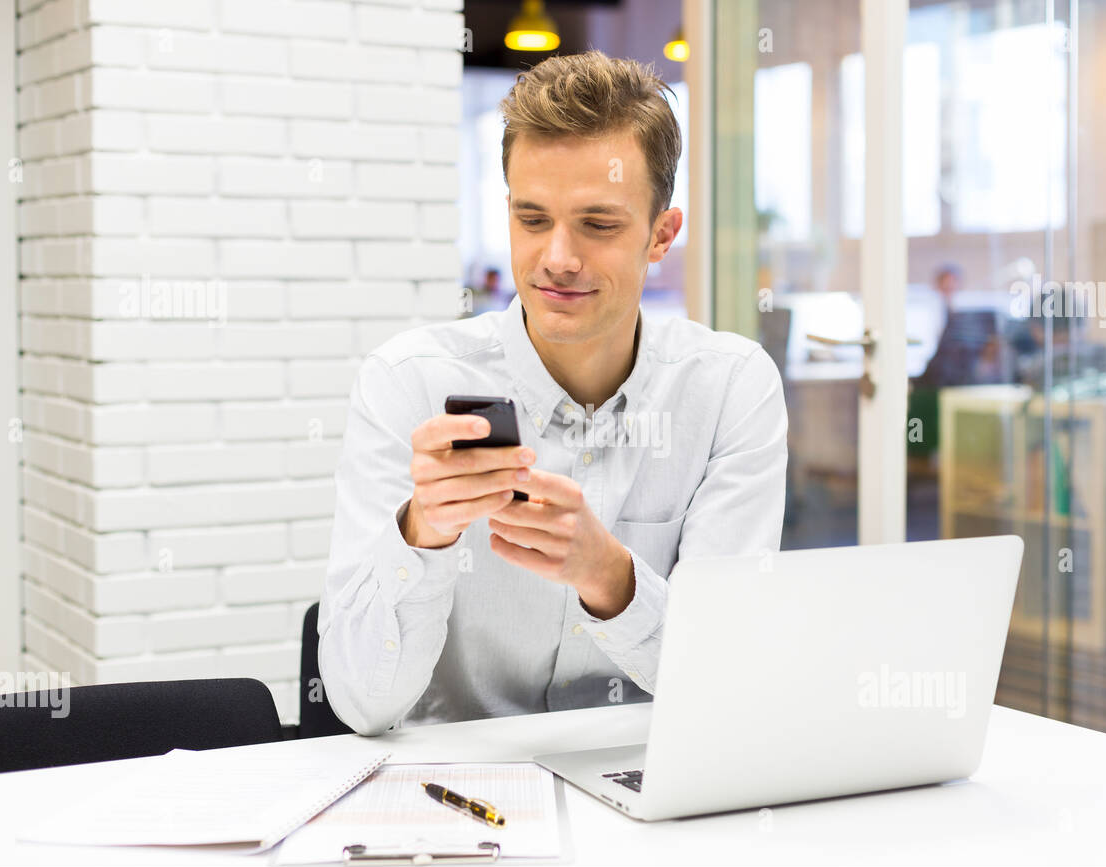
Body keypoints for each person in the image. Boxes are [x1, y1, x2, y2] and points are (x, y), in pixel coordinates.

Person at [317, 51, 788, 735]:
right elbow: (363, 705)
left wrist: (610, 580)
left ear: (662, 235)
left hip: (646, 790)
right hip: (458, 794)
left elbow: (725, 684)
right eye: (532, 220)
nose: (558, 258)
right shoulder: (408, 383)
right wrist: (424, 535)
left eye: (598, 225)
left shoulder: (729, 390)